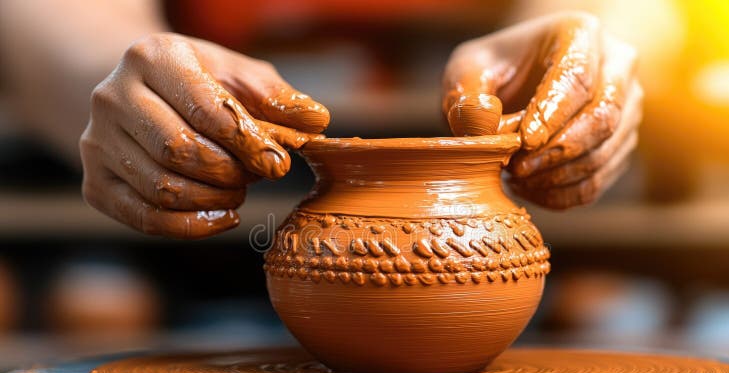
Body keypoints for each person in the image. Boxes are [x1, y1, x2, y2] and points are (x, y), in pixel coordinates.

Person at [0, 1, 641, 239]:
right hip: (218, 183)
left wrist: (594, 37)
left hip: (497, 193)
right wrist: (113, 75)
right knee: (98, 305)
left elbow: (632, 13)